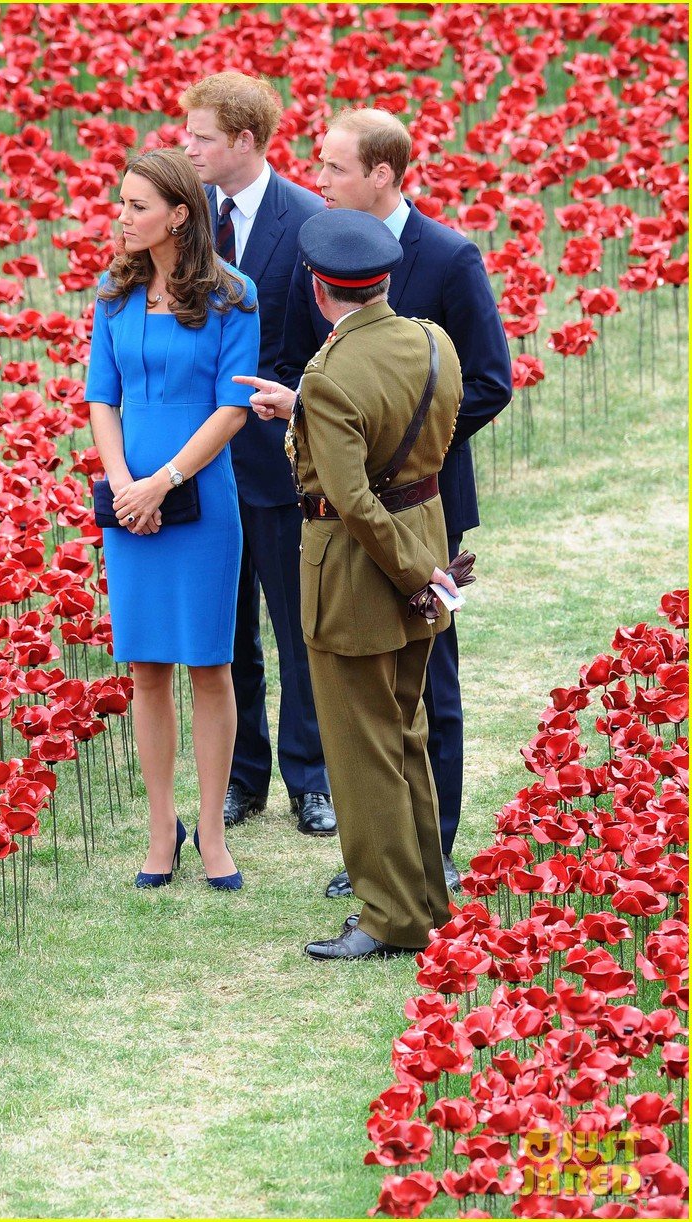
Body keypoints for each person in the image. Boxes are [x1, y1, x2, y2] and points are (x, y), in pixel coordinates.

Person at [276, 108, 512, 898]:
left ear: (382, 173)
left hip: (419, 502)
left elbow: (488, 381)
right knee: (374, 701)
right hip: (352, 512)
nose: (321, 180)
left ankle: (429, 851)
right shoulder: (320, 247)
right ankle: (382, 857)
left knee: (423, 687)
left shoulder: (446, 256)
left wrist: (395, 456)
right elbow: (299, 360)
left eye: (335, 167)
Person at [234, 209, 463, 959]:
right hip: (424, 550)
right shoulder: (430, 341)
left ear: (317, 288)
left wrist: (407, 571)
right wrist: (422, 566)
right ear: (380, 281)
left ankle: (386, 917)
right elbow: (409, 447)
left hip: (365, 576)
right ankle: (426, 894)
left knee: (362, 751)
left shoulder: (328, 374)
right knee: (405, 733)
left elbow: (354, 499)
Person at [84, 148, 260, 892]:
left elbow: (234, 406)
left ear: (178, 216)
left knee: (211, 667)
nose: (119, 217)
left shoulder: (234, 295)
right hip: (130, 506)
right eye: (120, 203)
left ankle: (214, 834)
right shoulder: (112, 293)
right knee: (147, 670)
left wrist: (164, 480)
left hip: (201, 501)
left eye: (135, 206)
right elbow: (100, 397)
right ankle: (163, 830)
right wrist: (127, 486)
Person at [178, 71, 337, 838]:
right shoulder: (182, 223)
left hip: (280, 464)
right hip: (202, 462)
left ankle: (310, 779)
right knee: (224, 628)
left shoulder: (305, 220)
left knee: (296, 623)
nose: (188, 147)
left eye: (202, 136)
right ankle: (243, 779)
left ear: (244, 140)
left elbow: (326, 346)